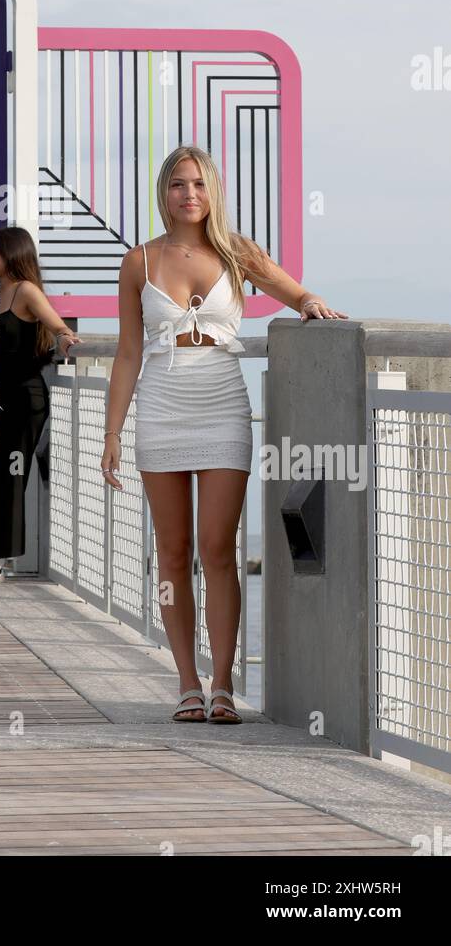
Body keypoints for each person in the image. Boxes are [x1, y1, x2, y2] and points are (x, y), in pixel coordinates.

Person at [100, 145, 346, 725]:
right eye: (178, 185)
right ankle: (186, 682)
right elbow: (129, 352)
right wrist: (112, 431)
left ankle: (223, 683)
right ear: (163, 194)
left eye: (199, 185)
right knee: (173, 552)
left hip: (221, 403)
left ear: (214, 193)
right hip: (161, 404)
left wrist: (311, 303)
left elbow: (295, 292)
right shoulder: (139, 261)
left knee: (217, 548)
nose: (189, 194)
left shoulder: (236, 252)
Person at [0, 226, 80, 582]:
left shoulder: (25, 291)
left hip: (26, 398)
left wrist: (66, 339)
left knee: (11, 474)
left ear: (12, 253)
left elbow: (58, 326)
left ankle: (0, 560)